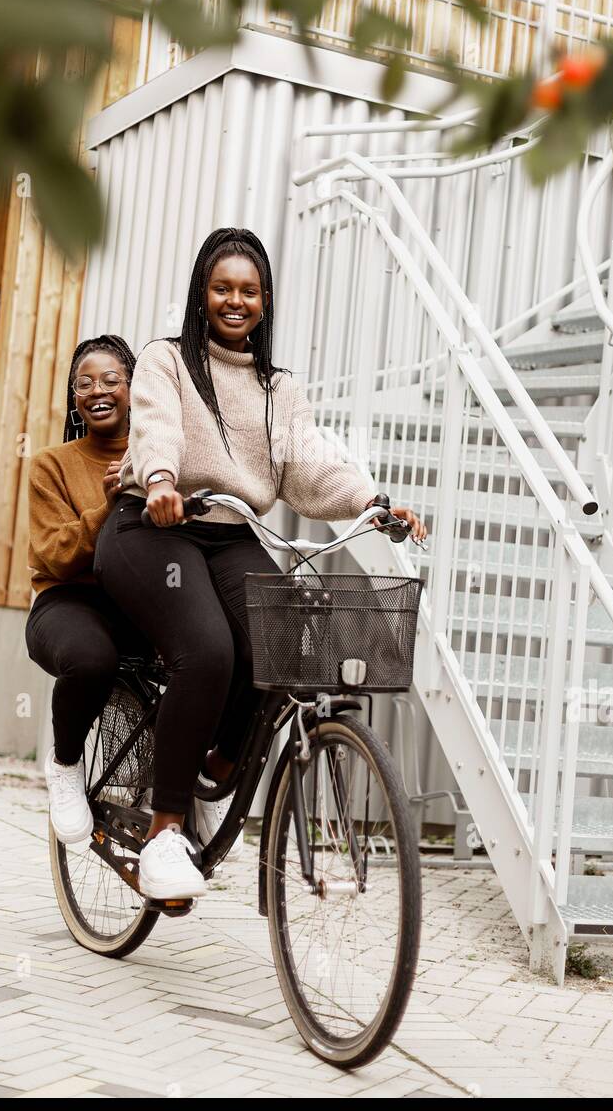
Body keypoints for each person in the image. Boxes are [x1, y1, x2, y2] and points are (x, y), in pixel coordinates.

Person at [92, 227, 429, 902]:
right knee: (209, 651)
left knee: (284, 640)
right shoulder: (166, 360)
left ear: (265, 301)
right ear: (203, 293)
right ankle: (163, 832)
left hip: (231, 530)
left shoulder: (279, 389)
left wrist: (374, 501)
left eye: (248, 290)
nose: (234, 301)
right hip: (154, 526)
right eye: (222, 288)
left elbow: (309, 469)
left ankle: (214, 763)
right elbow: (157, 425)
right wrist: (159, 480)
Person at [26, 334, 149, 844]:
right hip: (68, 601)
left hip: (140, 601)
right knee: (92, 658)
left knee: (213, 651)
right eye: (84, 383)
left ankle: (188, 783)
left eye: (111, 380)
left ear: (134, 389)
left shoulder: (160, 461)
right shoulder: (51, 464)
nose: (97, 391)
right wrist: (108, 506)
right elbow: (54, 553)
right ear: (74, 399)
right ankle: (66, 764)